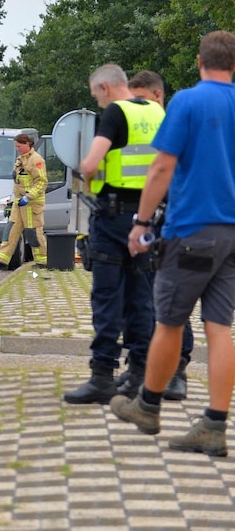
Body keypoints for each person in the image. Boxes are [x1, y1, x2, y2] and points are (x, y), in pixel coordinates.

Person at [110, 31, 235, 455]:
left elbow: (162, 166)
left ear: (200, 62)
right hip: (232, 234)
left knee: (170, 321)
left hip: (193, 230)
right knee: (220, 328)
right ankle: (214, 426)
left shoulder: (187, 101)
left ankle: (148, 407)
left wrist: (141, 222)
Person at [62, 64, 164, 405]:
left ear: (105, 87)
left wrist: (85, 180)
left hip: (112, 217)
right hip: (147, 218)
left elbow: (90, 164)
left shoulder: (116, 113)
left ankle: (102, 377)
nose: (100, 103)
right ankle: (137, 375)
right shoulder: (156, 111)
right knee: (141, 298)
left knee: (107, 298)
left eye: (97, 96)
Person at [127, 69, 192, 401]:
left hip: (175, 223)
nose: (136, 105)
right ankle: (142, 367)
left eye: (142, 98)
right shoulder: (128, 127)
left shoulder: (178, 125)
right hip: (139, 220)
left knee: (175, 301)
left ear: (157, 96)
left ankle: (177, 371)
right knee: (143, 299)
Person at [0, 134, 48, 270]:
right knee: (11, 230)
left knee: (33, 232)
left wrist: (29, 196)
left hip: (32, 204)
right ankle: (1, 260)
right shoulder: (21, 159)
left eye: (19, 146)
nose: (17, 149)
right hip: (19, 202)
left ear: (27, 144)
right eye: (16, 146)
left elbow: (42, 182)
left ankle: (42, 261)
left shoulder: (36, 160)